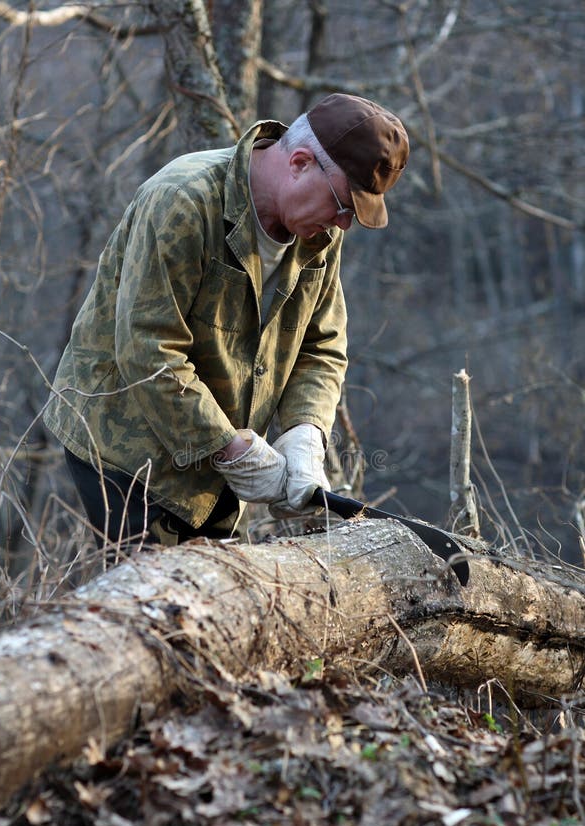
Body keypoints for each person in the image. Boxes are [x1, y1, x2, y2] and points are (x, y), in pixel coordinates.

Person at [43, 93, 409, 548]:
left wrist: (305, 432)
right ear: (299, 163)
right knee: (158, 605)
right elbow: (148, 347)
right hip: (130, 447)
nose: (343, 224)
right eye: (342, 204)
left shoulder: (318, 232)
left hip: (220, 454)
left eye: (351, 214)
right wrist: (229, 447)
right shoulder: (183, 200)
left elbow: (322, 344)